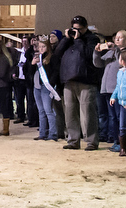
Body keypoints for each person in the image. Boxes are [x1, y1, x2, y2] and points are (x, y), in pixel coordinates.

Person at [56, 16, 100, 150]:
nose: (76, 31)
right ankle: (73, 140)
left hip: (86, 80)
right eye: (74, 28)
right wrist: (66, 39)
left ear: (86, 28)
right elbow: (57, 53)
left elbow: (88, 54)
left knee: (87, 112)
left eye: (79, 29)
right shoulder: (69, 39)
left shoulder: (92, 39)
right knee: (69, 112)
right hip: (69, 80)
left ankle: (91, 141)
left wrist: (79, 39)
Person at [32, 36, 61, 142]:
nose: (41, 49)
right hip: (37, 86)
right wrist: (32, 64)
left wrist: (51, 84)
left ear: (48, 47)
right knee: (41, 111)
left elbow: (55, 72)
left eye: (43, 46)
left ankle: (53, 134)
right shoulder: (37, 58)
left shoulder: (52, 57)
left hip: (46, 86)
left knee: (49, 110)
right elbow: (30, 73)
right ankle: (42, 133)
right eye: (39, 47)